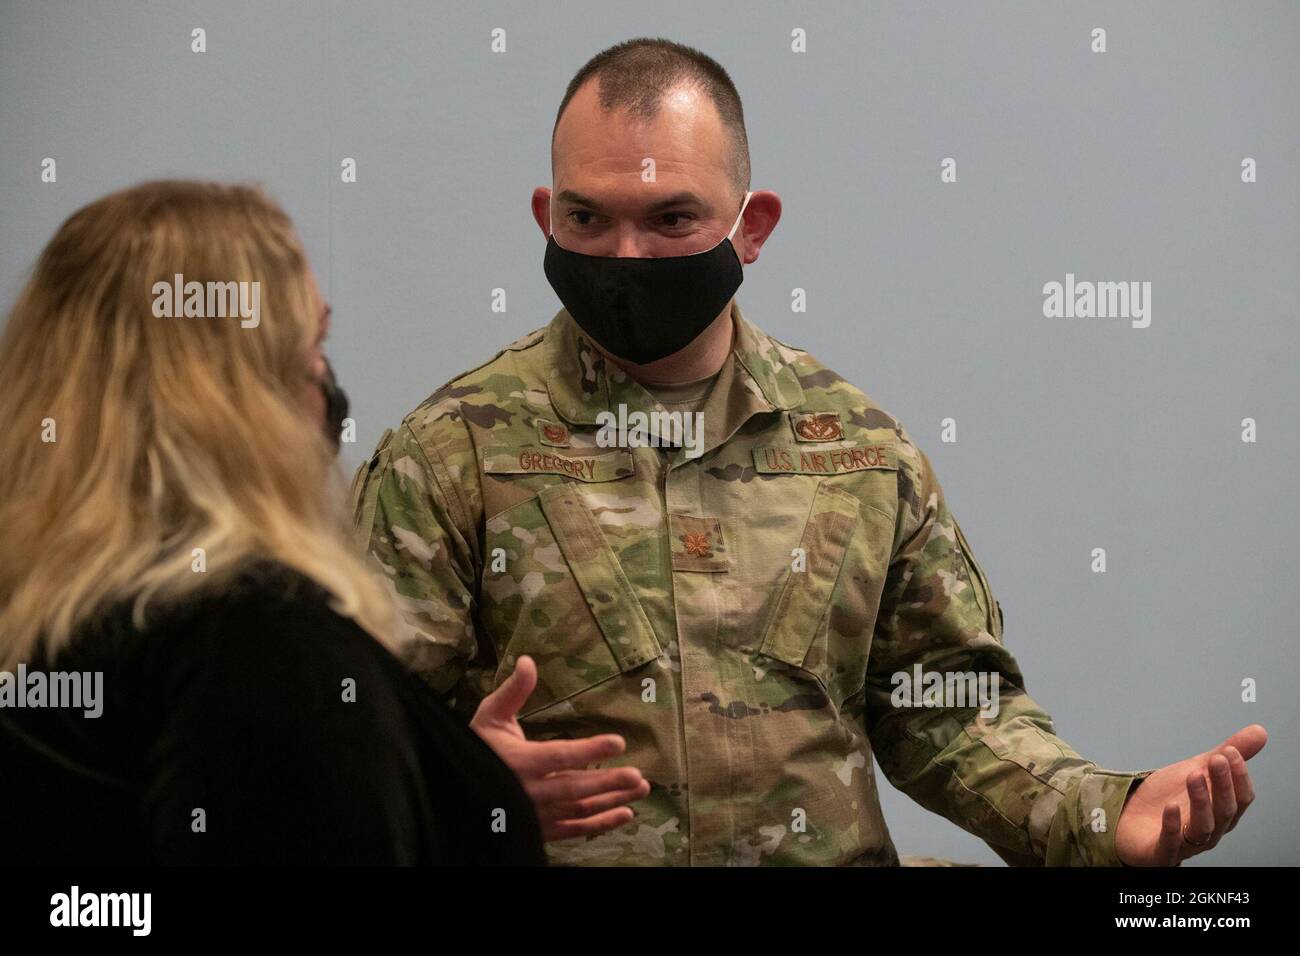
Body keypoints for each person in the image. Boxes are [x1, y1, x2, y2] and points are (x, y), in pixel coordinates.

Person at [351, 38, 1265, 866]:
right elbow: (342, 751)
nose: (624, 255)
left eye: (672, 219)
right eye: (589, 219)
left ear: (754, 226)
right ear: (547, 213)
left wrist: (1111, 812)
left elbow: (944, 715)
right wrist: (463, 786)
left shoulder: (859, 451)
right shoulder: (451, 455)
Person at [0, 180, 545, 865]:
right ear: (230, 398)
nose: (326, 381)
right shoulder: (264, 646)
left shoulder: (39, 609)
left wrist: (443, 782)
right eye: (312, 347)